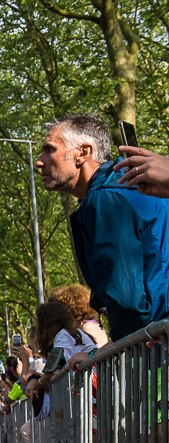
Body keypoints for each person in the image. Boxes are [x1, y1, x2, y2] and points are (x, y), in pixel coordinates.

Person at [37, 114, 169, 341]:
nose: (39, 161)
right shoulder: (143, 187)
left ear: (83, 153)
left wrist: (124, 353)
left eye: (49, 150)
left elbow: (127, 299)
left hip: (158, 351)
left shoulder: (104, 198)